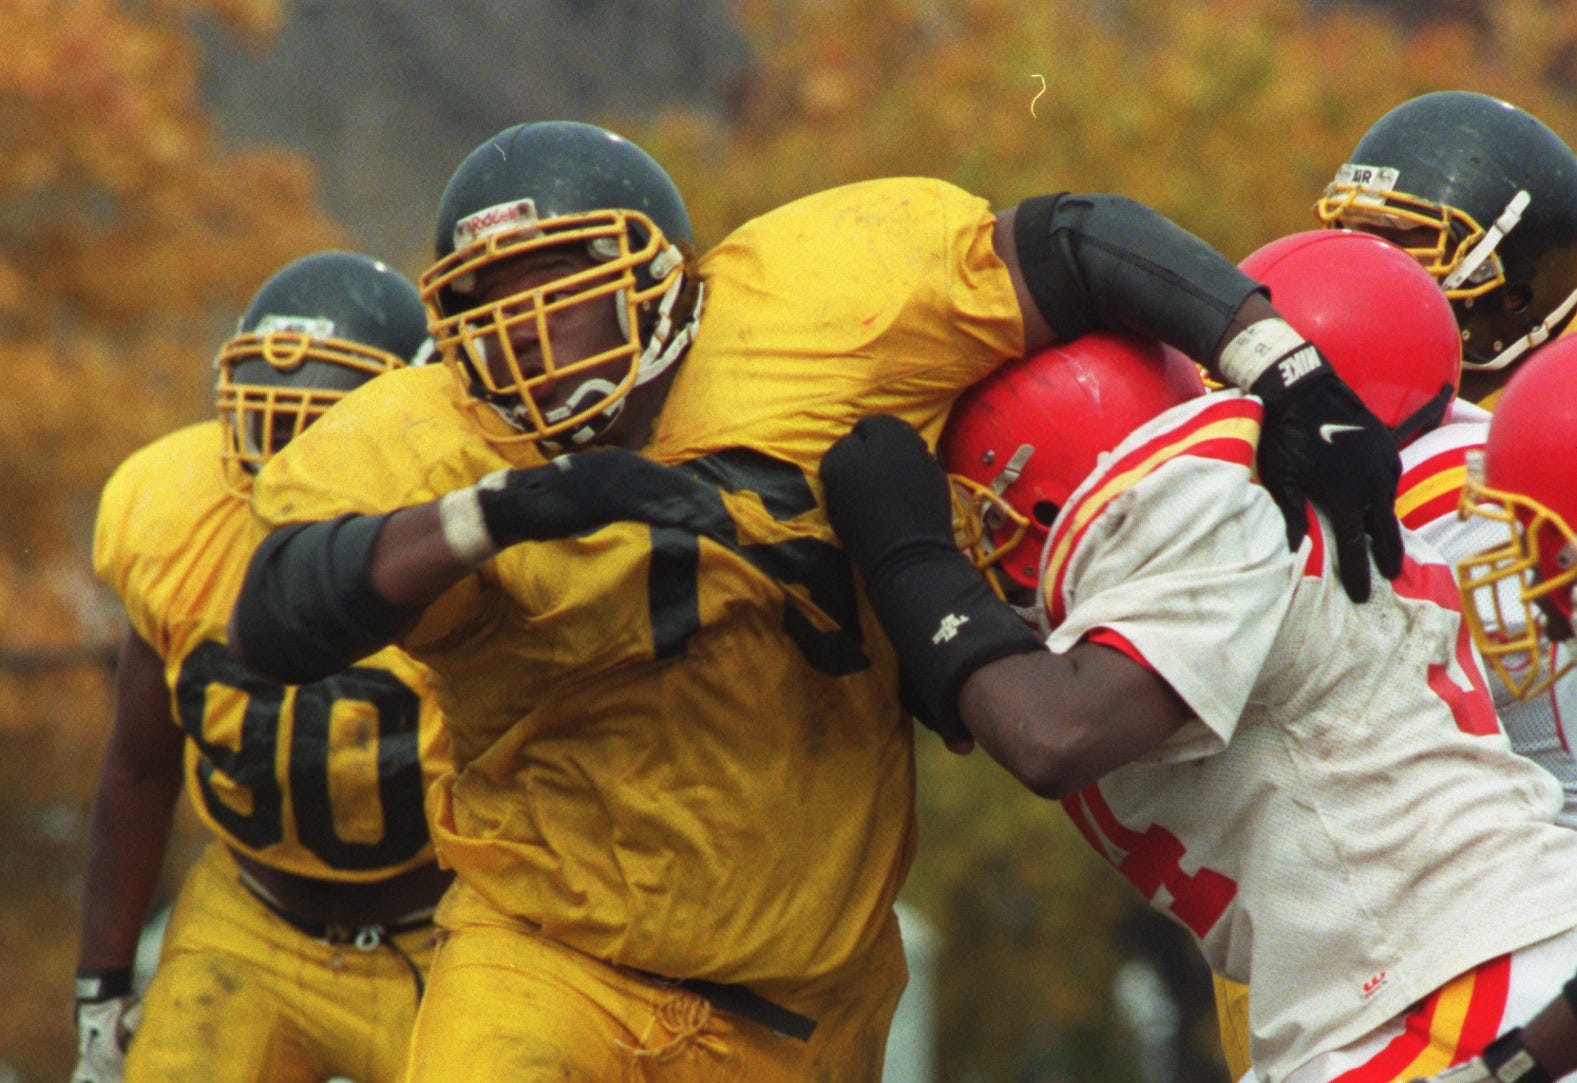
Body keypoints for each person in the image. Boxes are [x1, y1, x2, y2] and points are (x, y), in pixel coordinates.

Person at [226, 120, 1406, 1080]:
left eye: (562, 293)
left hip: (807, 995)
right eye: (490, 307)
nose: (528, 339)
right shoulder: (425, 441)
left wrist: (1277, 363)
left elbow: (1070, 239)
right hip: (545, 954)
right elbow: (273, 616)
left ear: (655, 276)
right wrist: (498, 513)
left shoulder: (814, 303)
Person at [817, 289, 1577, 1080]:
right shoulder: (1169, 563)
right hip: (1386, 993)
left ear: (1046, 492)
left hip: (1457, 970)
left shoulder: (1210, 516)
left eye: (978, 517)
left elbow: (1050, 732)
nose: (973, 552)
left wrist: (913, 559)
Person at [73, 251, 446, 1083]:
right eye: (268, 423)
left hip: (450, 931)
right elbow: (137, 766)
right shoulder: (179, 516)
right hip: (253, 924)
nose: (285, 464)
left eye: (315, 429)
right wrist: (101, 986)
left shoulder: (455, 534)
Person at [1313, 89, 1577, 407]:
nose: (1359, 273)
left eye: (1398, 246)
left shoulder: (1555, 420)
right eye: (1354, 237)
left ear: (1516, 294)